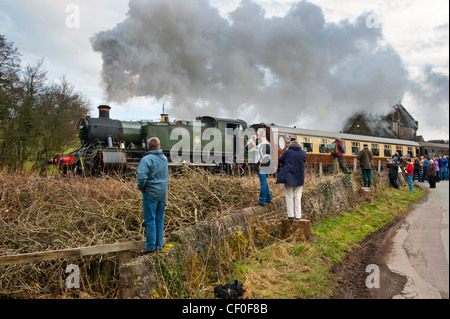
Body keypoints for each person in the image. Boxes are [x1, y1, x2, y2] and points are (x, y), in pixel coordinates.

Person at [136, 137, 170, 255]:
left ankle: (150, 246)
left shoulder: (147, 159)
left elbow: (141, 177)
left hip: (150, 193)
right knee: (160, 219)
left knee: (150, 219)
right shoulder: (164, 158)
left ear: (148, 147)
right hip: (162, 194)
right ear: (159, 146)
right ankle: (159, 246)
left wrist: (140, 187)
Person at [276, 138, 307, 220]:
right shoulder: (303, 153)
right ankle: (298, 216)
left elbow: (280, 160)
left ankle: (290, 215)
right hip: (300, 178)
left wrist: (286, 151)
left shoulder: (288, 152)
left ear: (290, 145)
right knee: (297, 197)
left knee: (289, 196)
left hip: (288, 178)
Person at [245, 128, 272, 206]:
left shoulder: (257, 142)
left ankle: (262, 200)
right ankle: (269, 198)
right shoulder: (267, 142)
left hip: (261, 164)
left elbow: (247, 148)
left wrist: (251, 140)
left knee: (263, 183)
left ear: (257, 135)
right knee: (265, 182)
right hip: (268, 164)